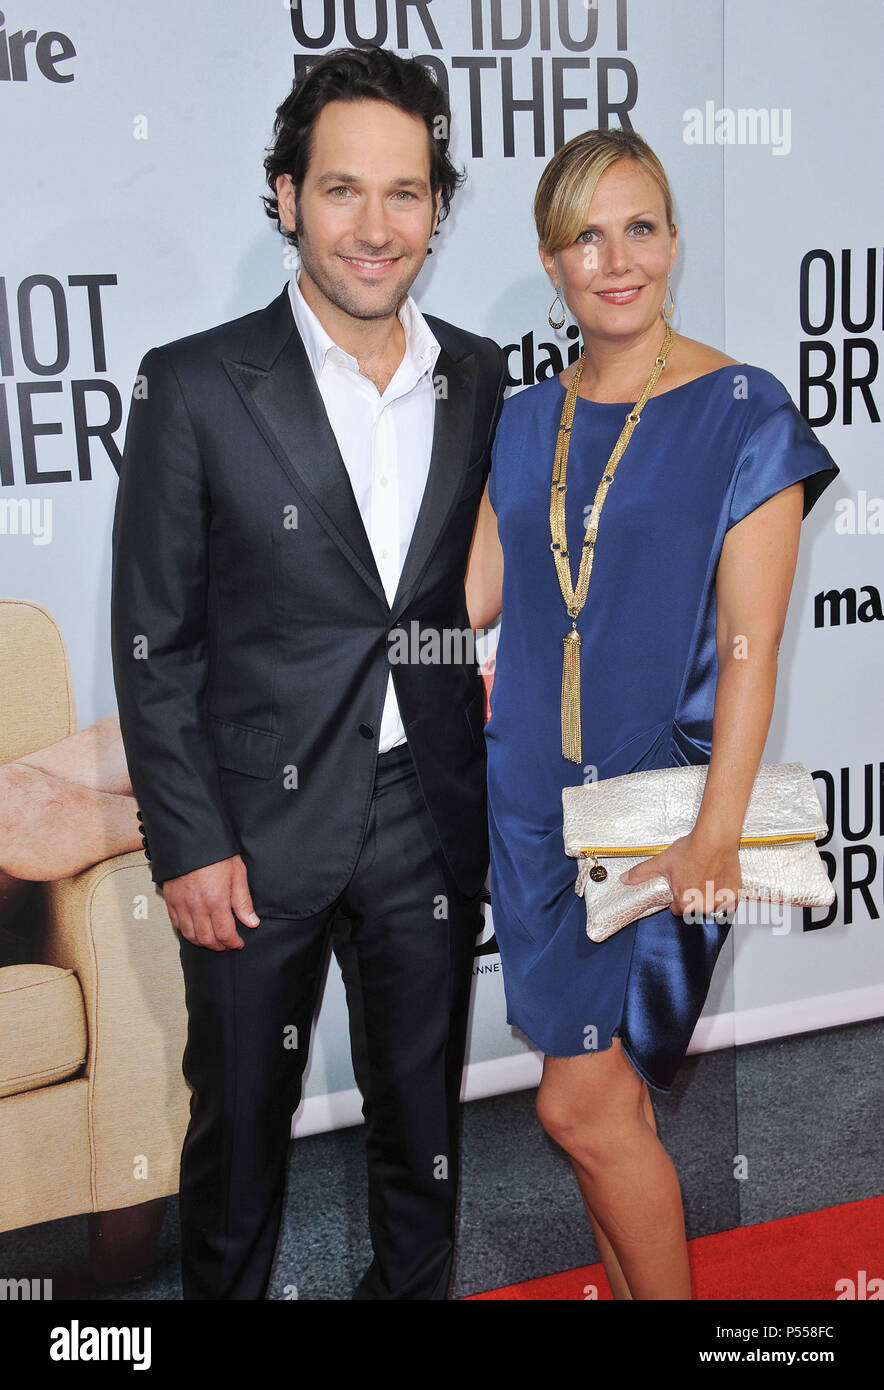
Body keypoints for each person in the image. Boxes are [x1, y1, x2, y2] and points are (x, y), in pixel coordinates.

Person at [111, 46, 506, 1300]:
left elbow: (453, 598)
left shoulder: (480, 375)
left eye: (404, 193)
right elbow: (154, 640)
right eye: (341, 190)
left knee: (423, 1150)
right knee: (234, 1157)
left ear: (437, 208)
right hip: (248, 833)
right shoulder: (193, 384)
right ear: (284, 196)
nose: (374, 227)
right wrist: (186, 844)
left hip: (422, 819)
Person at [465, 127, 838, 1300]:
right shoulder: (525, 418)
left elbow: (749, 649)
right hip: (527, 803)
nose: (614, 258)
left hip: (658, 806)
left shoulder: (741, 409)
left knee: (578, 1102)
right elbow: (465, 593)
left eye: (638, 227)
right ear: (550, 259)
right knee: (601, 1102)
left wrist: (715, 833)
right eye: (585, 234)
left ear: (672, 241)